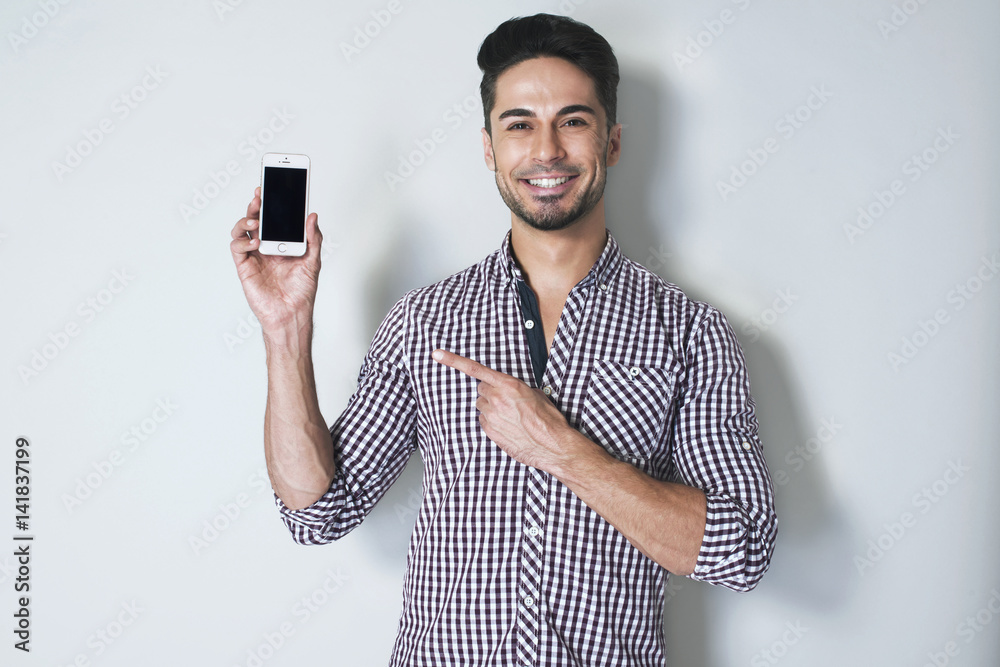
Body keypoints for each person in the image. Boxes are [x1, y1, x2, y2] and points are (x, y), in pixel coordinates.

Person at [230, 13, 777, 666]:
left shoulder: (691, 334)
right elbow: (318, 512)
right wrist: (285, 330)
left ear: (613, 142)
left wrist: (566, 452)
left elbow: (742, 549)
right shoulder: (423, 323)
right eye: (519, 124)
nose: (546, 150)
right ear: (489, 147)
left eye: (573, 121)